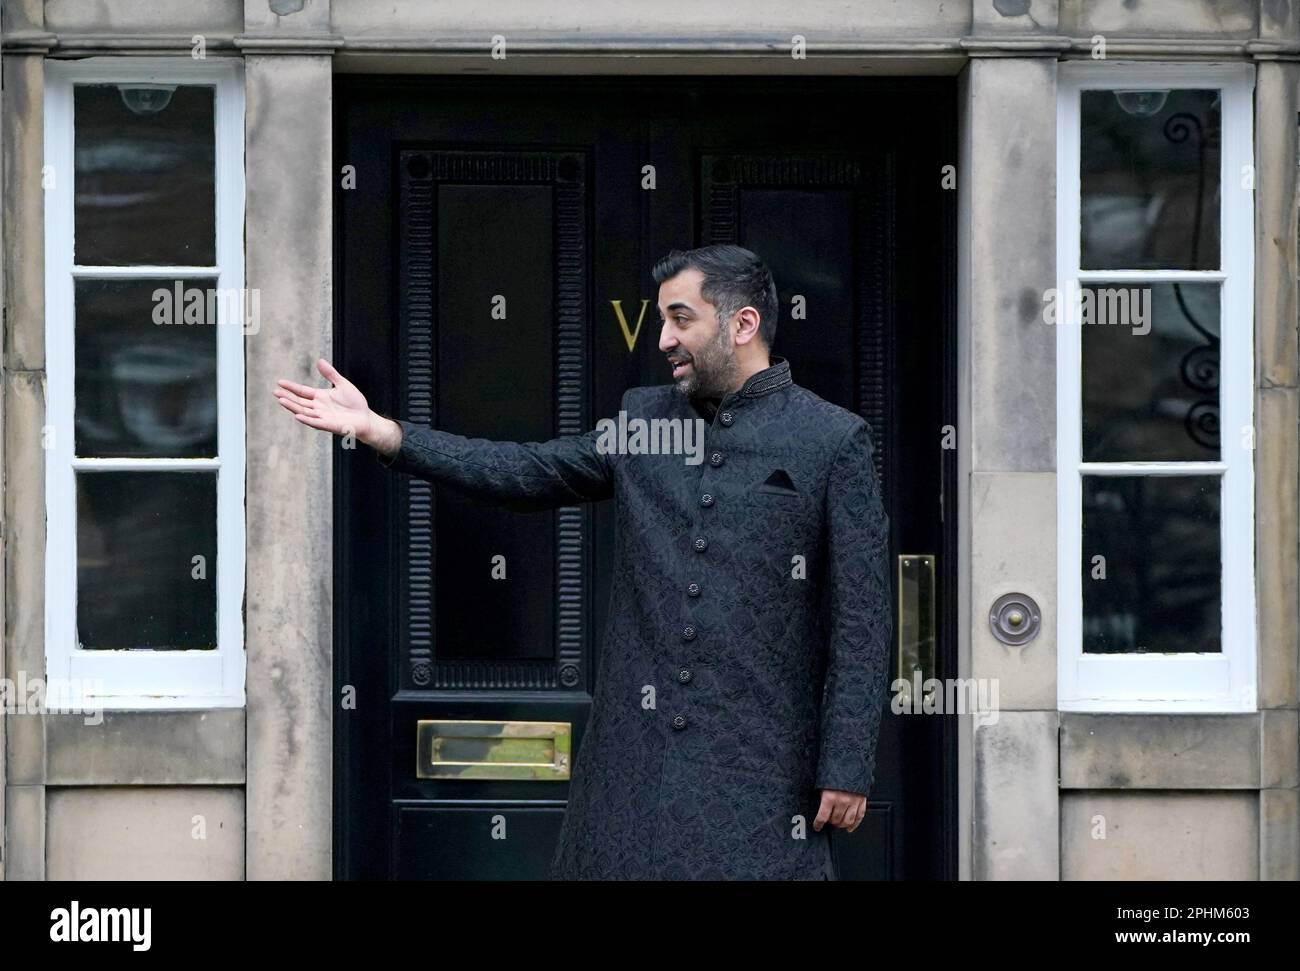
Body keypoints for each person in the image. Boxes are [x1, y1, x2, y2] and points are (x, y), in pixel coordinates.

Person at [273, 244, 891, 880]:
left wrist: (844, 767)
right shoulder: (643, 418)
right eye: (661, 321)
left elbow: (862, 624)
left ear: (742, 325)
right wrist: (390, 434)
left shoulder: (832, 441)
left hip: (762, 773)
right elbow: (530, 470)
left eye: (682, 320)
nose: (664, 339)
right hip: (633, 769)